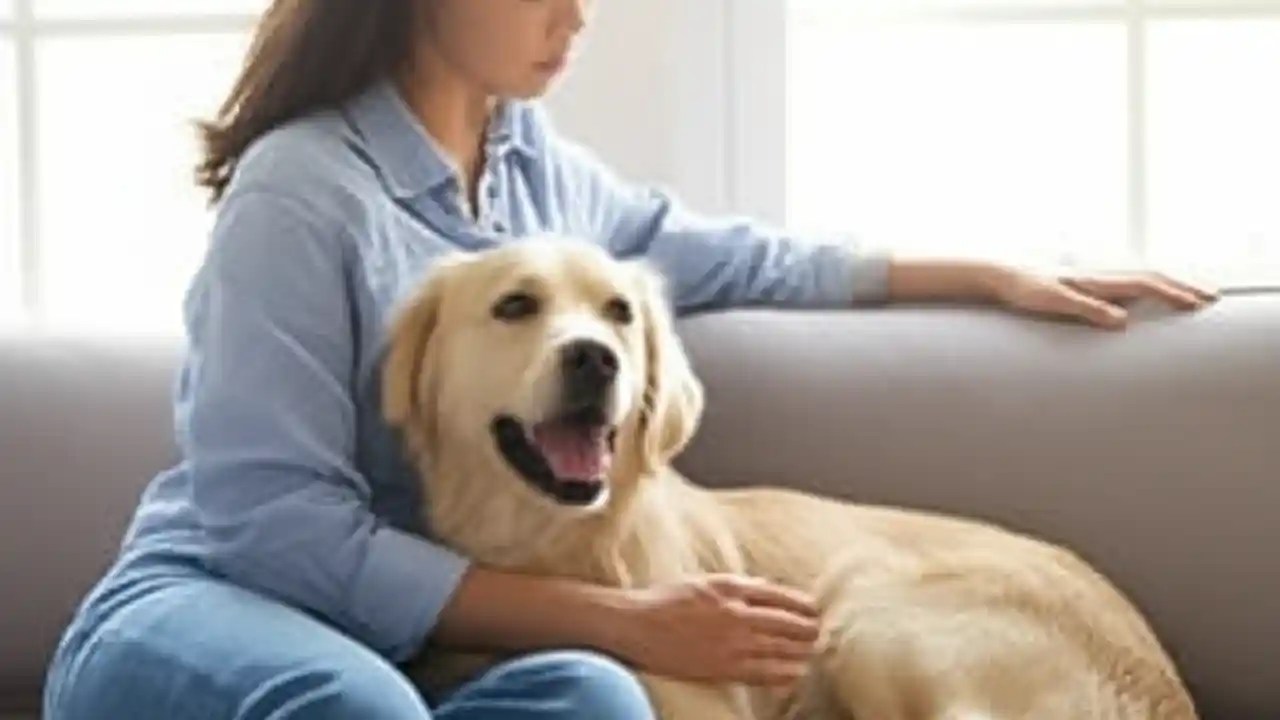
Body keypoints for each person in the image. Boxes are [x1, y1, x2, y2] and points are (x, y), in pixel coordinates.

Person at [42, 1, 1217, 718]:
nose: (578, 12)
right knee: (358, 706)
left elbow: (731, 255)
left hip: (415, 650)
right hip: (218, 606)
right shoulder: (301, 194)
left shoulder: (531, 169)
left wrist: (982, 273)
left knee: (602, 705)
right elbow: (271, 530)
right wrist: (624, 620)